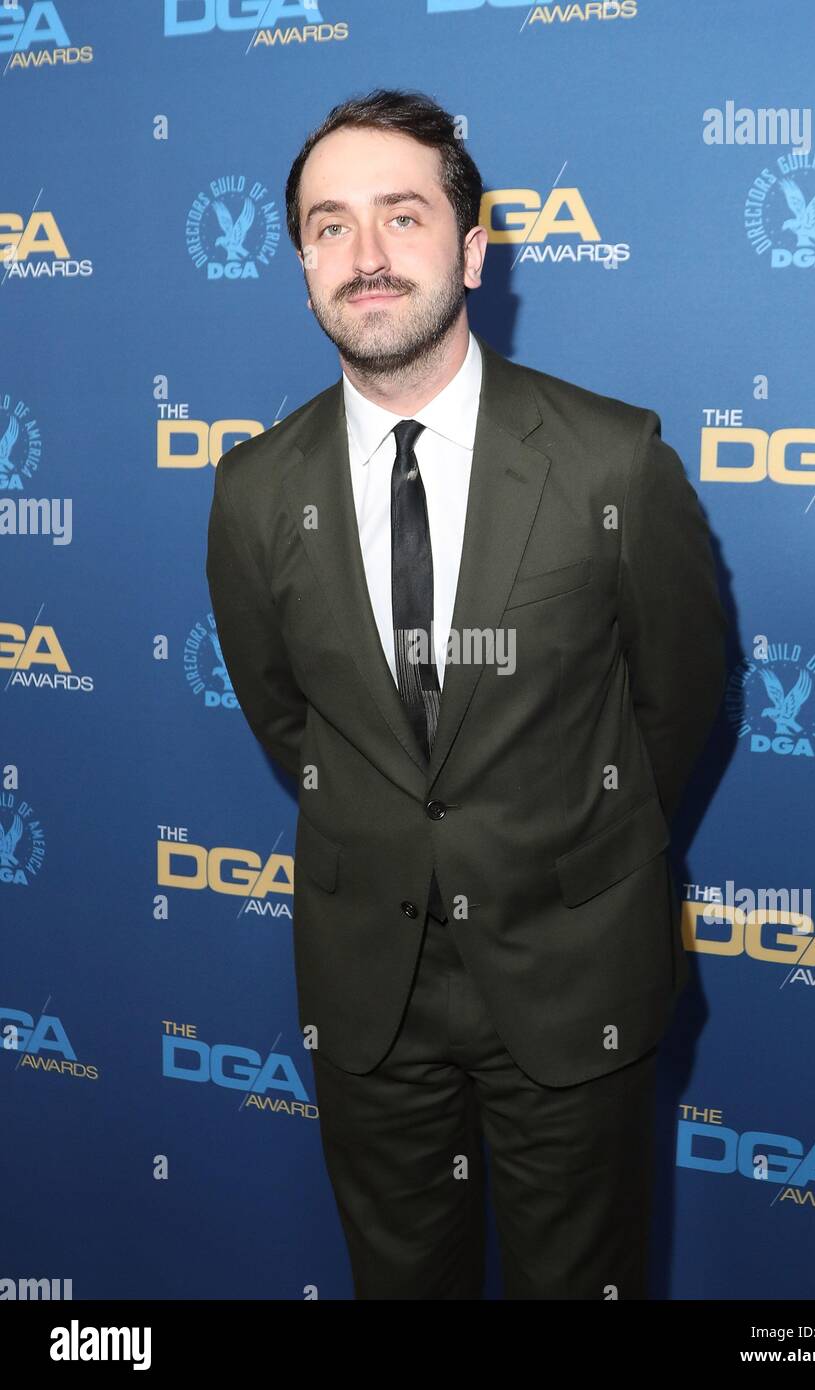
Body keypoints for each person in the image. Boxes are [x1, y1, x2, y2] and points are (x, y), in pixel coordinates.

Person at [206, 88, 727, 1300]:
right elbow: (291, 719)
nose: (368, 254)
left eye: (403, 215)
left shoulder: (612, 459)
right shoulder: (249, 489)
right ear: (299, 266)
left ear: (473, 251)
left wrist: (560, 837)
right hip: (368, 988)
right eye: (329, 226)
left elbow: (675, 700)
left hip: (572, 972)